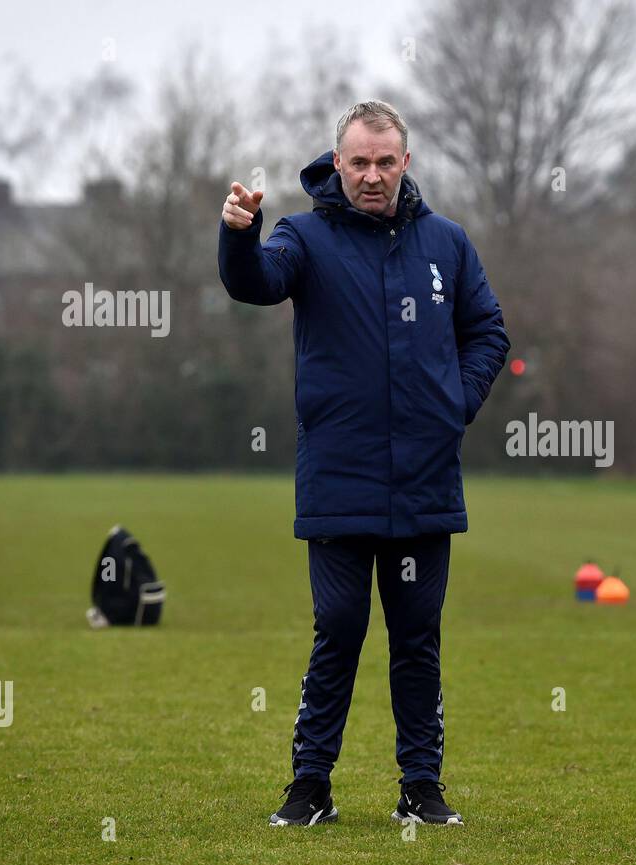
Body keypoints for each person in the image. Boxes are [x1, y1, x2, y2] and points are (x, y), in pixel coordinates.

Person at [217, 100, 509, 828]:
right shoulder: (304, 237)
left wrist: (454, 405)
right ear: (337, 162)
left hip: (423, 481)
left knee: (417, 637)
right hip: (339, 480)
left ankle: (422, 787)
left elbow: (489, 331)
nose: (372, 175)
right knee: (339, 627)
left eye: (385, 162)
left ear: (405, 163)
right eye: (359, 162)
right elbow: (255, 281)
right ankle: (310, 785)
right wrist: (238, 235)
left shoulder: (446, 242)